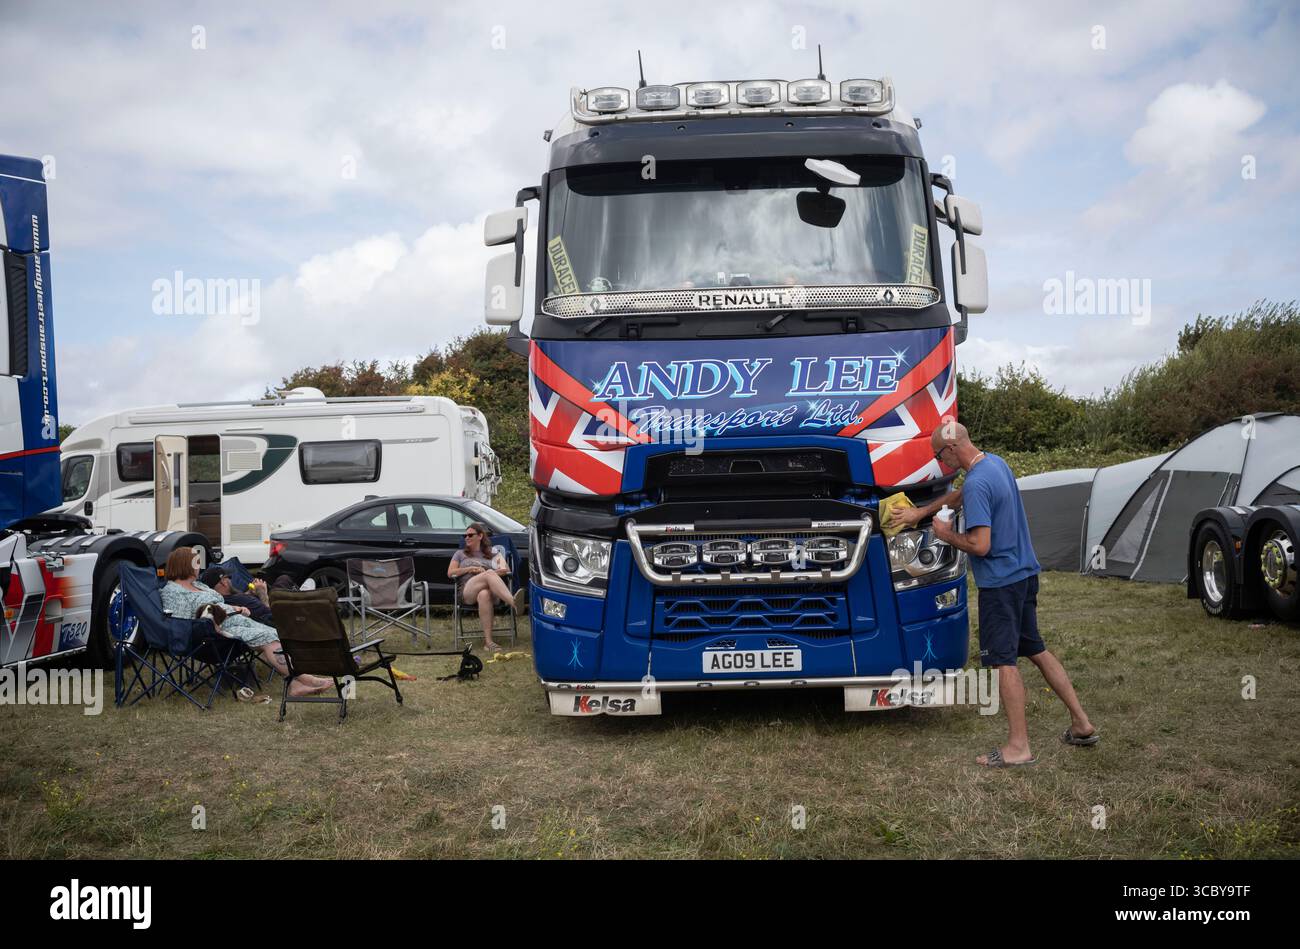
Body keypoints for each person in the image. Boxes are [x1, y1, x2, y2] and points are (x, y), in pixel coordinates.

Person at [889, 419, 1099, 768]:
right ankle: (1081, 723)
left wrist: (944, 534)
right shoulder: (994, 463)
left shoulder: (978, 483)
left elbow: (980, 545)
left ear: (952, 448)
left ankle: (1019, 747)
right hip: (1024, 575)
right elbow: (962, 493)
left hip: (1000, 584)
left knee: (1004, 661)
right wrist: (921, 513)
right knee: (1036, 649)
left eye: (941, 456)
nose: (942, 463)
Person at [161, 548, 331, 698]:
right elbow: (182, 622)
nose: (199, 566)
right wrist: (217, 621)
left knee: (274, 633)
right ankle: (304, 680)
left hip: (235, 620)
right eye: (196, 562)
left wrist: (235, 607)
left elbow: (219, 603)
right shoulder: (173, 591)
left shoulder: (199, 585)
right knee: (267, 637)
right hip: (214, 634)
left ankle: (296, 682)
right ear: (184, 564)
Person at [447, 522, 526, 652]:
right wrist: (470, 569)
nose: (466, 538)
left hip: (491, 592)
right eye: (465, 535)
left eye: (470, 535)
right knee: (488, 574)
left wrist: (486, 573)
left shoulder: (493, 554)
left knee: (484, 594)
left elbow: (506, 569)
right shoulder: (460, 554)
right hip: (468, 591)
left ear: (480, 536)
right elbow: (450, 573)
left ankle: (488, 642)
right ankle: (514, 602)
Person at [199, 567, 274, 626]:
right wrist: (263, 594)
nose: (231, 580)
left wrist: (249, 593)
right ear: (223, 582)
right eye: (229, 577)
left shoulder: (224, 601)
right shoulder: (243, 601)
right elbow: (270, 615)